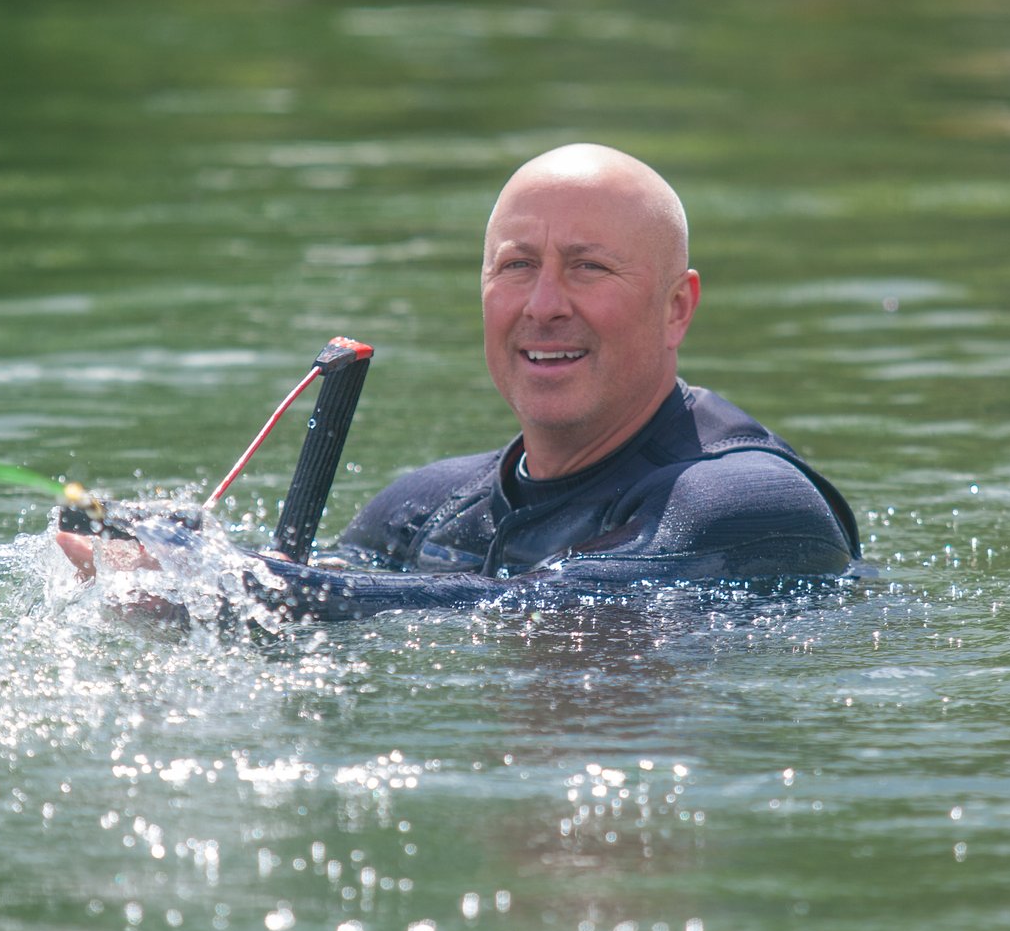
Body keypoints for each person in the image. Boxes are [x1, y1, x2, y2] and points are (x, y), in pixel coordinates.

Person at [57, 143, 860, 620]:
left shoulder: (748, 506)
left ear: (676, 307)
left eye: (588, 268)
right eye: (517, 267)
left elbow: (566, 611)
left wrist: (255, 593)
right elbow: (325, 599)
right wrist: (181, 571)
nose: (545, 305)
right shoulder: (422, 511)